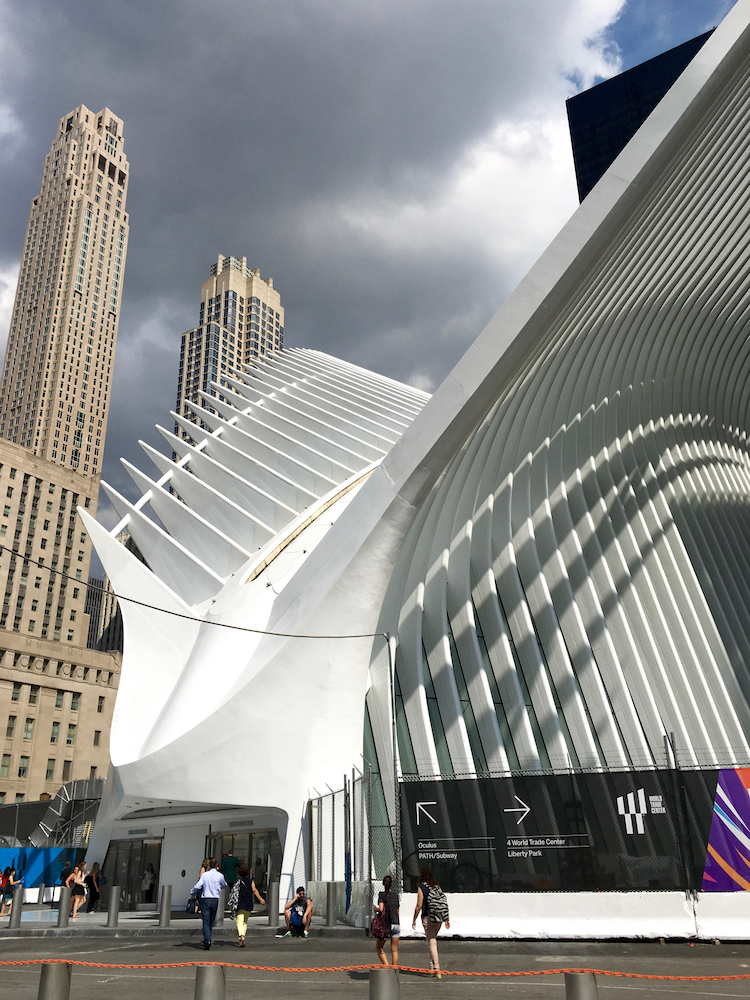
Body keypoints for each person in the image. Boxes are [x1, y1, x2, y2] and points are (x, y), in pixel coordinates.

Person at [412, 867, 450, 978]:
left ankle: (437, 969)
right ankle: (431, 966)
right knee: (431, 940)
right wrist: (446, 918)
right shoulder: (437, 886)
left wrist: (414, 919)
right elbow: (442, 902)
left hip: (427, 917)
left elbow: (419, 905)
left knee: (432, 942)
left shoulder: (421, 888)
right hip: (439, 918)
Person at [191, 858, 227, 950]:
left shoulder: (205, 875)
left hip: (206, 898)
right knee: (211, 919)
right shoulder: (220, 875)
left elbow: (198, 886)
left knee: (205, 920)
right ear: (216, 866)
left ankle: (207, 939)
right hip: (215, 899)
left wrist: (193, 892)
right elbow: (224, 885)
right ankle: (208, 937)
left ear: (209, 866)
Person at [233, 864, 265, 947]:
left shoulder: (238, 882)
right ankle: (242, 938)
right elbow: (254, 890)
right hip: (248, 903)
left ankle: (241, 935)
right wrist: (261, 899)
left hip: (240, 903)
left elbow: (234, 893)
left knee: (239, 921)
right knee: (245, 922)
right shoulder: (251, 882)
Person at [374, 874, 400, 967]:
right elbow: (398, 911)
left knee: (379, 947)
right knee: (394, 949)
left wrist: (375, 909)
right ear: (392, 884)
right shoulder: (395, 895)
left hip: (385, 924)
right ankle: (394, 969)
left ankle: (386, 965)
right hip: (396, 923)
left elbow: (381, 909)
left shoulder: (382, 895)